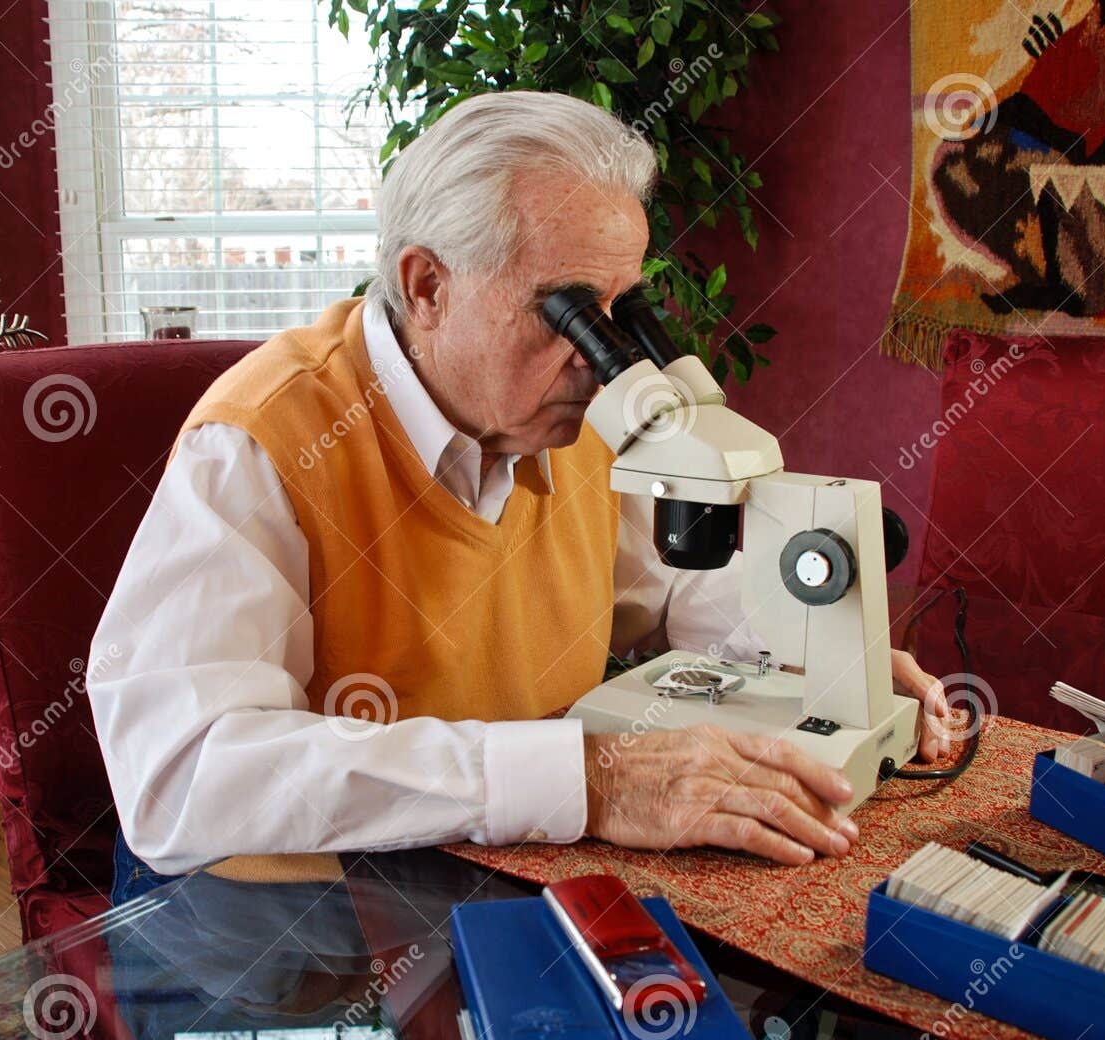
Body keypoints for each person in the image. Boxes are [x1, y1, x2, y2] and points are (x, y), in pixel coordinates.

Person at [88, 91, 952, 902]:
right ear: (427, 286)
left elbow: (680, 589)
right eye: (568, 311)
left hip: (499, 870)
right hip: (282, 917)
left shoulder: (570, 420)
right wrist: (586, 777)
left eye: (619, 310)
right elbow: (182, 775)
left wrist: (827, 651)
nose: (600, 355)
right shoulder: (263, 440)